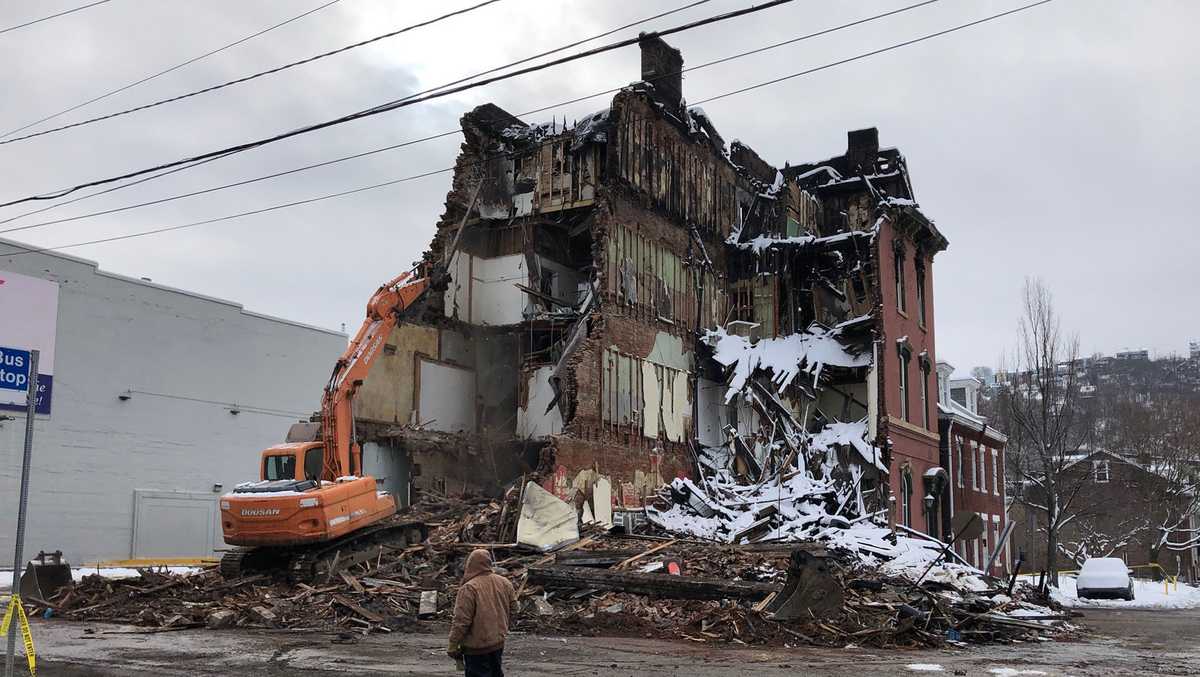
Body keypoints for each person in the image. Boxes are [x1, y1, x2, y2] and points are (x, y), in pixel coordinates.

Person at [448, 548, 517, 677]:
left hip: (476, 647)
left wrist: (453, 643)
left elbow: (461, 621)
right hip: (497, 643)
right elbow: (514, 608)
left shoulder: (469, 588)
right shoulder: (504, 582)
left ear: (470, 564)